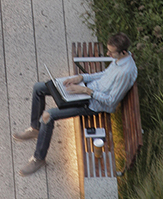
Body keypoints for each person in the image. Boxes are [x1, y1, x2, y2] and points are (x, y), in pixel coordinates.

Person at [13, 32, 137, 175]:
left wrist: (85, 90)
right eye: (108, 50)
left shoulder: (126, 73)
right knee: (39, 88)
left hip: (92, 105)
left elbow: (111, 101)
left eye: (111, 52)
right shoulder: (120, 59)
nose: (108, 53)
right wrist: (81, 77)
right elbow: (104, 74)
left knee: (48, 116)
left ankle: (39, 158)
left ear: (122, 51)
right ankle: (35, 129)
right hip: (86, 91)